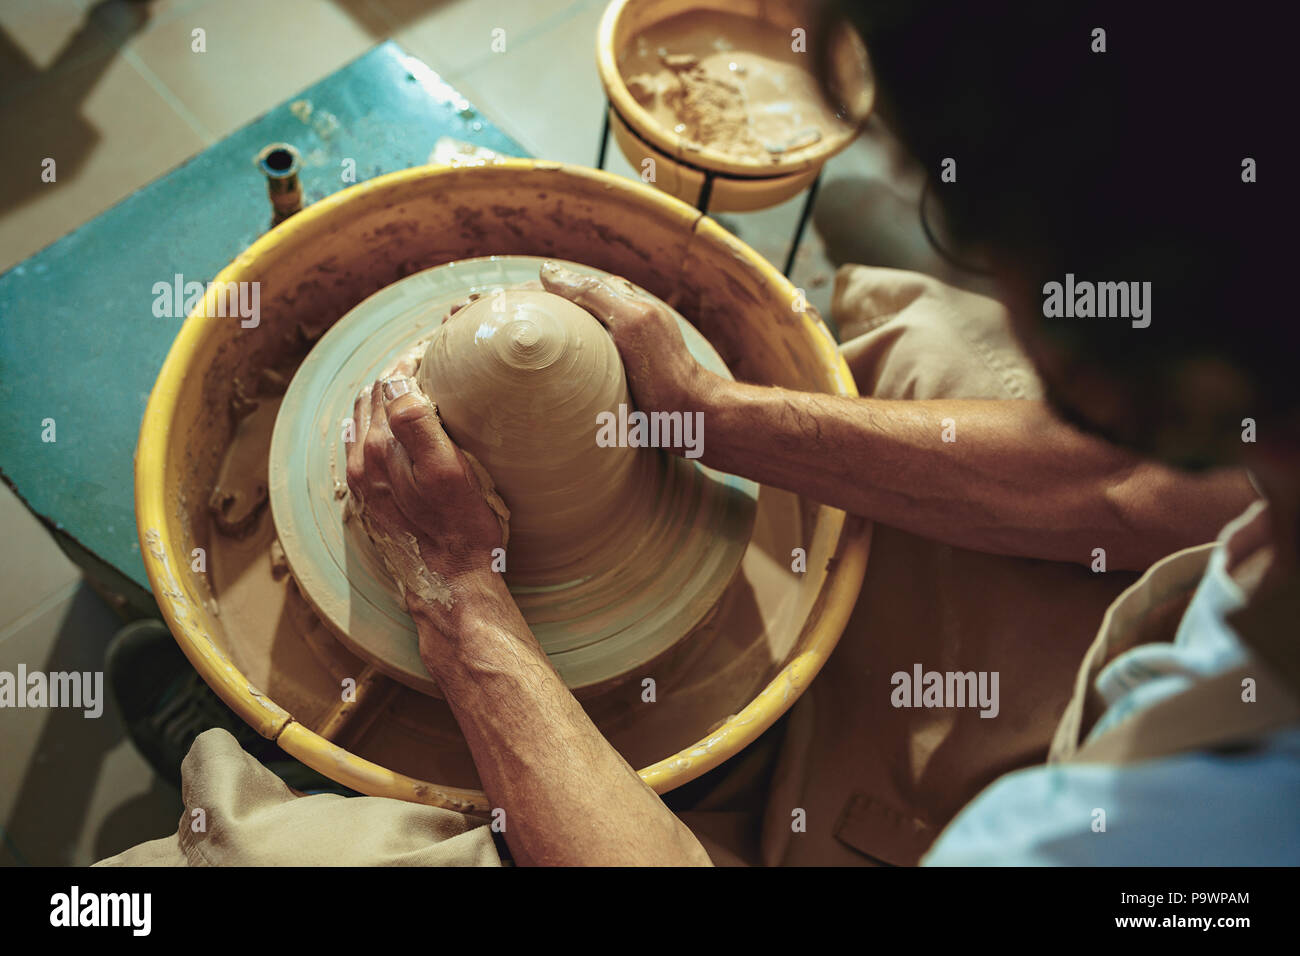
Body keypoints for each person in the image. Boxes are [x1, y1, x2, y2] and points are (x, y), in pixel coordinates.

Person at [99, 1, 1296, 866]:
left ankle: (263, 778)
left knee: (215, 867)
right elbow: (1138, 488)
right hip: (1158, 650)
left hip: (999, 807)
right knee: (924, 345)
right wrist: (717, 417)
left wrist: (457, 601)